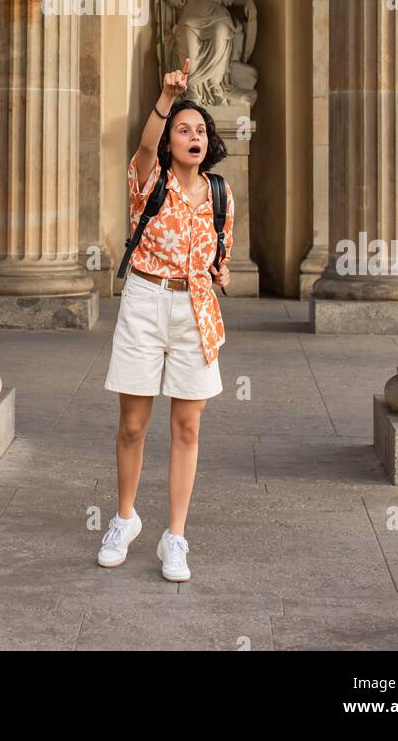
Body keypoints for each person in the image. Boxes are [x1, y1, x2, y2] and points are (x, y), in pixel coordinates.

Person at [98, 57, 234, 581]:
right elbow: (142, 145)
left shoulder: (220, 193)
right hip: (145, 301)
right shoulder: (148, 179)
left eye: (200, 130)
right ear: (169, 141)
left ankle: (175, 536)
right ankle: (124, 519)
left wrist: (220, 272)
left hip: (196, 308)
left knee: (188, 426)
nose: (193, 136)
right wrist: (166, 98)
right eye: (183, 129)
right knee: (133, 425)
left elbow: (222, 254)